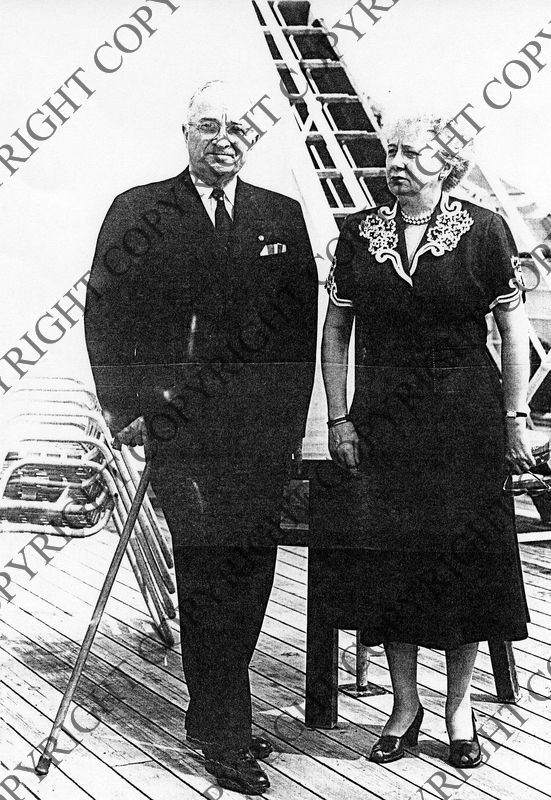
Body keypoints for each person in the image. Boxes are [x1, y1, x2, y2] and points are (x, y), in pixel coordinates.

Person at [84, 80, 318, 795]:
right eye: (210, 126)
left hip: (258, 433)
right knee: (208, 567)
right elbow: (104, 314)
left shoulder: (281, 214)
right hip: (178, 428)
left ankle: (213, 709)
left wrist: (285, 430)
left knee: (250, 571)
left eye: (237, 128)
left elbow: (297, 335)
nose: (225, 139)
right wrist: (125, 407)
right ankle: (226, 730)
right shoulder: (142, 209)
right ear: (185, 132)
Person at [315, 111, 533, 769]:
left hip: (465, 419)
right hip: (384, 423)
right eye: (392, 153)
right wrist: (338, 418)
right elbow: (335, 332)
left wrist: (515, 416)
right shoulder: (357, 235)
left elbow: (513, 327)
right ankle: (403, 706)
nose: (398, 165)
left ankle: (457, 707)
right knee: (393, 561)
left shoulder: (484, 230)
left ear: (448, 165)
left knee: (465, 562)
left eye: (413, 155)